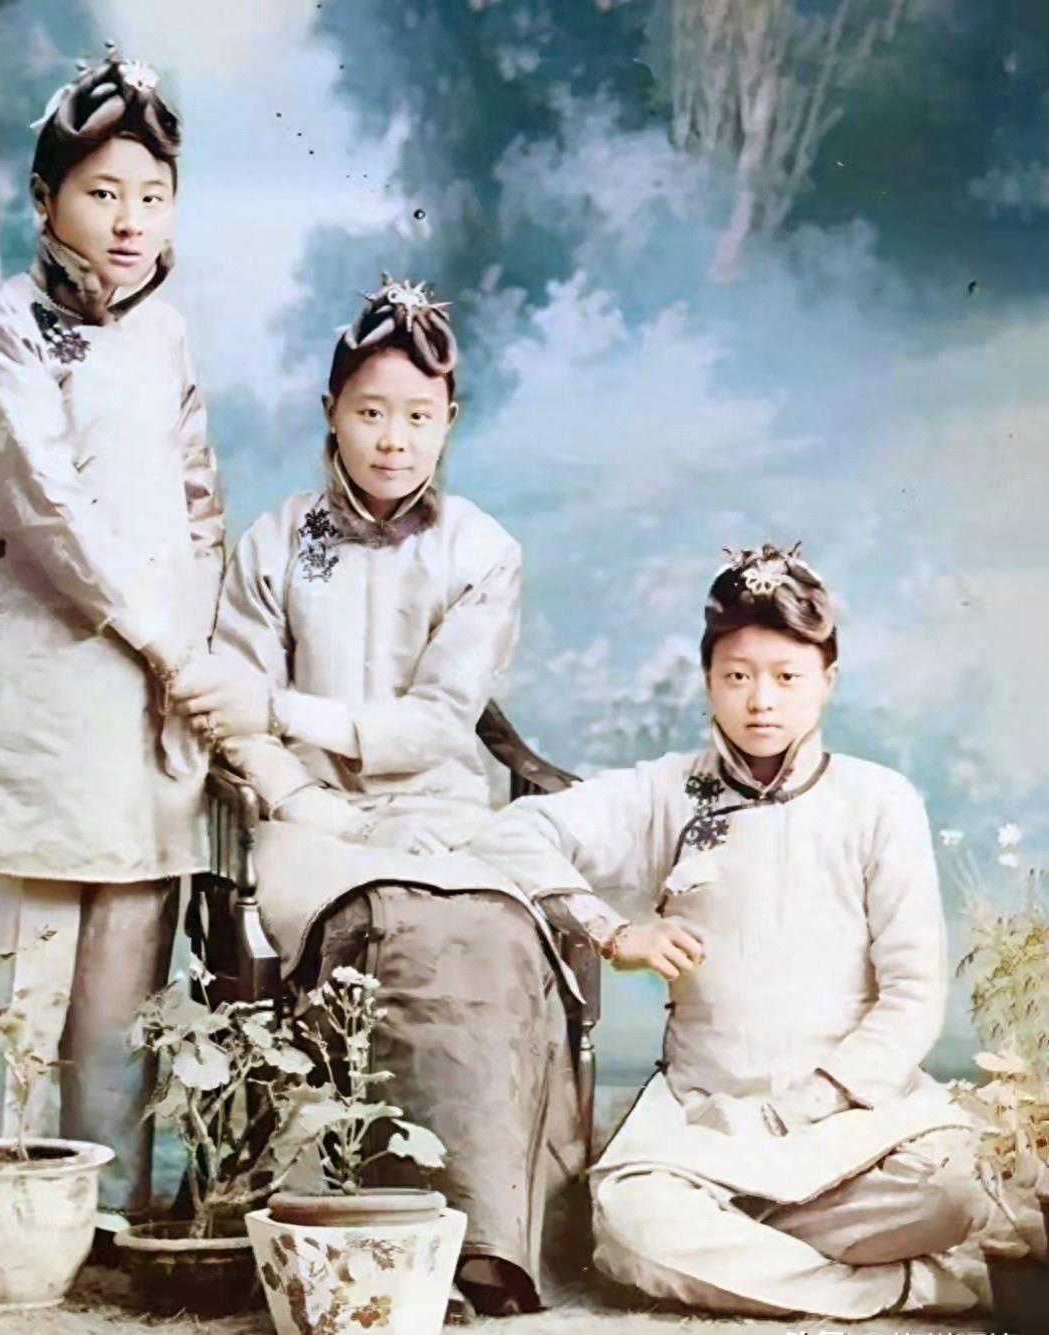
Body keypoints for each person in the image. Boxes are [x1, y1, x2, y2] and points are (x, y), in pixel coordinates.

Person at [172, 278, 580, 1315]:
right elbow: (232, 716)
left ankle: (477, 1244)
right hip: (307, 822)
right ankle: (381, 1234)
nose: (393, 440)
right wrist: (297, 794)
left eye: (417, 416)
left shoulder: (482, 551)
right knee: (385, 923)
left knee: (487, 932)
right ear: (330, 413)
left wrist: (281, 706)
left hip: (440, 813)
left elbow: (439, 724)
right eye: (370, 412)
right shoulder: (273, 542)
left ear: (449, 421)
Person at [465, 544, 990, 1320]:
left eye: (786, 676)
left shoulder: (878, 801)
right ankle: (911, 1285)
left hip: (850, 1117)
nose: (760, 701)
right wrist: (614, 931)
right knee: (634, 1227)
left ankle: (739, 1249)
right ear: (708, 678)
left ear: (827, 679)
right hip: (705, 1117)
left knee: (953, 1192)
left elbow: (912, 995)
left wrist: (811, 1103)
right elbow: (507, 834)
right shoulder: (666, 790)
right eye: (737, 675)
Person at [0, 46, 224, 1216]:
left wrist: (200, 664)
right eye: (103, 193)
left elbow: (199, 508)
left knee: (119, 1018)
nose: (131, 221)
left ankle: (111, 1236)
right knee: (9, 1011)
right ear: (46, 200)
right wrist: (168, 646)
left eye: (153, 195)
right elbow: (51, 516)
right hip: (39, 708)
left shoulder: (167, 335)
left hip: (154, 713)